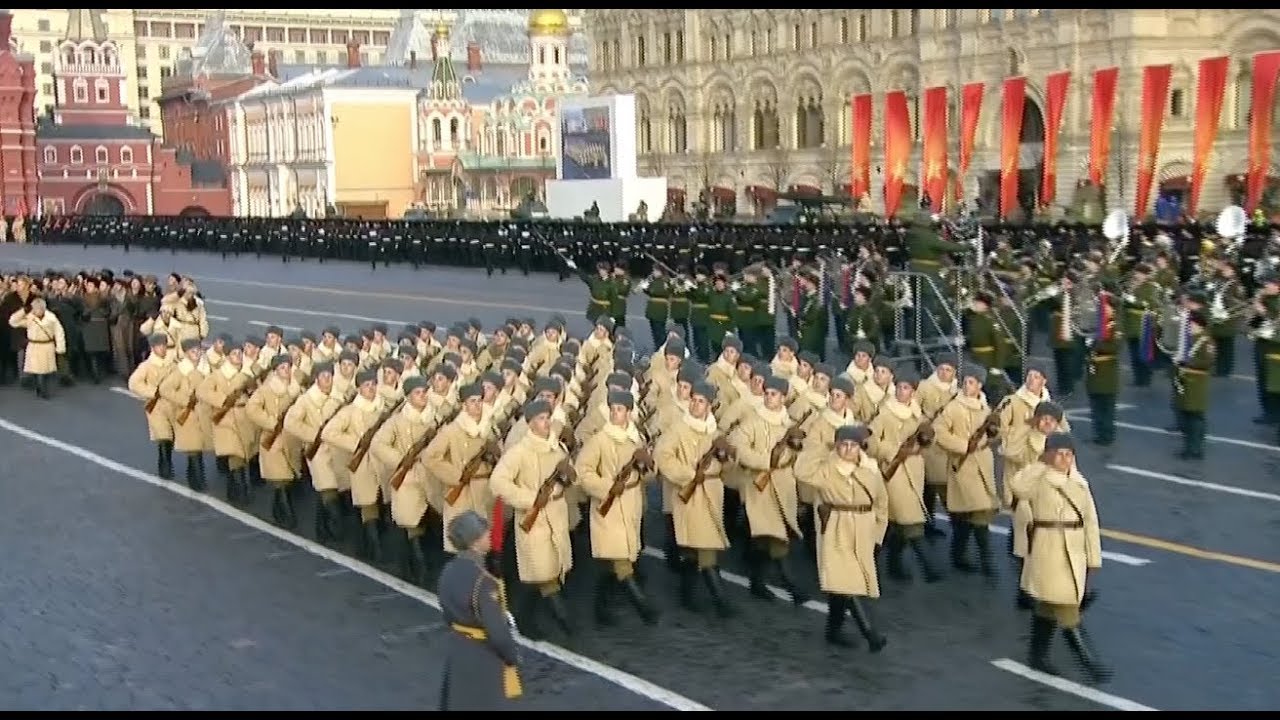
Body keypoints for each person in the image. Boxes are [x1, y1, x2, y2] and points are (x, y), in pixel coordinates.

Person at [1020, 433, 1109, 683]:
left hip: (1074, 551)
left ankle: (1037, 655)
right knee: (1068, 609)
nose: (1065, 459)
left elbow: (1090, 522)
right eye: (1059, 454)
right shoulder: (1039, 478)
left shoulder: (1080, 483)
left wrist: (1093, 559)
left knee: (1048, 606)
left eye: (1069, 454)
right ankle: (1090, 663)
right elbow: (1018, 487)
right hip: (1048, 550)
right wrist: (1039, 464)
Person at [437, 510, 523, 711]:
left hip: (457, 649)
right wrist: (512, 655)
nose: (489, 537)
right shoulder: (484, 582)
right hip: (483, 656)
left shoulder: (448, 571)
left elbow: (447, 615)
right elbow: (498, 633)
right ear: (474, 542)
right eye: (485, 534)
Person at [7, 296, 67, 400]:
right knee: (37, 370)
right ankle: (40, 388)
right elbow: (13, 322)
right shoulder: (30, 318)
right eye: (35, 309)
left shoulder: (51, 318)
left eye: (39, 309)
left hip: (47, 346)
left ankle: (42, 388)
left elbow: (59, 332)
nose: (37, 311)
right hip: (34, 347)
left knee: (45, 371)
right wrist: (23, 311)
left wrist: (60, 347)